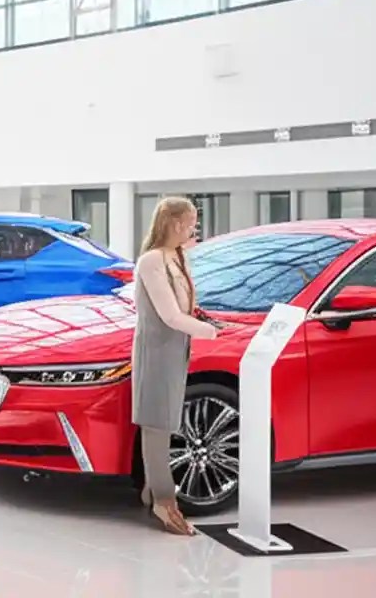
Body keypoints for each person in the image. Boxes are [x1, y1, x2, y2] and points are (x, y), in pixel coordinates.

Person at [132, 196, 218, 536]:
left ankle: (152, 490)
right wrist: (211, 332)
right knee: (156, 423)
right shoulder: (152, 260)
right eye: (189, 222)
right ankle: (164, 502)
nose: (193, 228)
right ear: (173, 223)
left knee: (165, 420)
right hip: (157, 349)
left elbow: (184, 309)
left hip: (177, 347)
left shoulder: (178, 257)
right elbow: (169, 315)